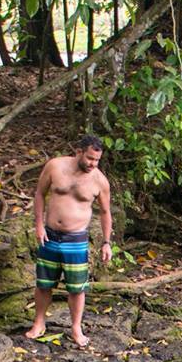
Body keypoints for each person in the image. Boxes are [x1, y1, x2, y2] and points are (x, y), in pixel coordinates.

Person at [26, 135, 114, 347]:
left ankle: (76, 327)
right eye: (90, 159)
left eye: (97, 160)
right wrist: (38, 225)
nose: (93, 164)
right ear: (78, 152)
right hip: (50, 235)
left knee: (76, 288)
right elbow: (40, 193)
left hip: (76, 240)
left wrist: (106, 242)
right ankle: (39, 322)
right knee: (44, 283)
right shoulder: (55, 166)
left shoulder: (100, 181)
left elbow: (105, 212)